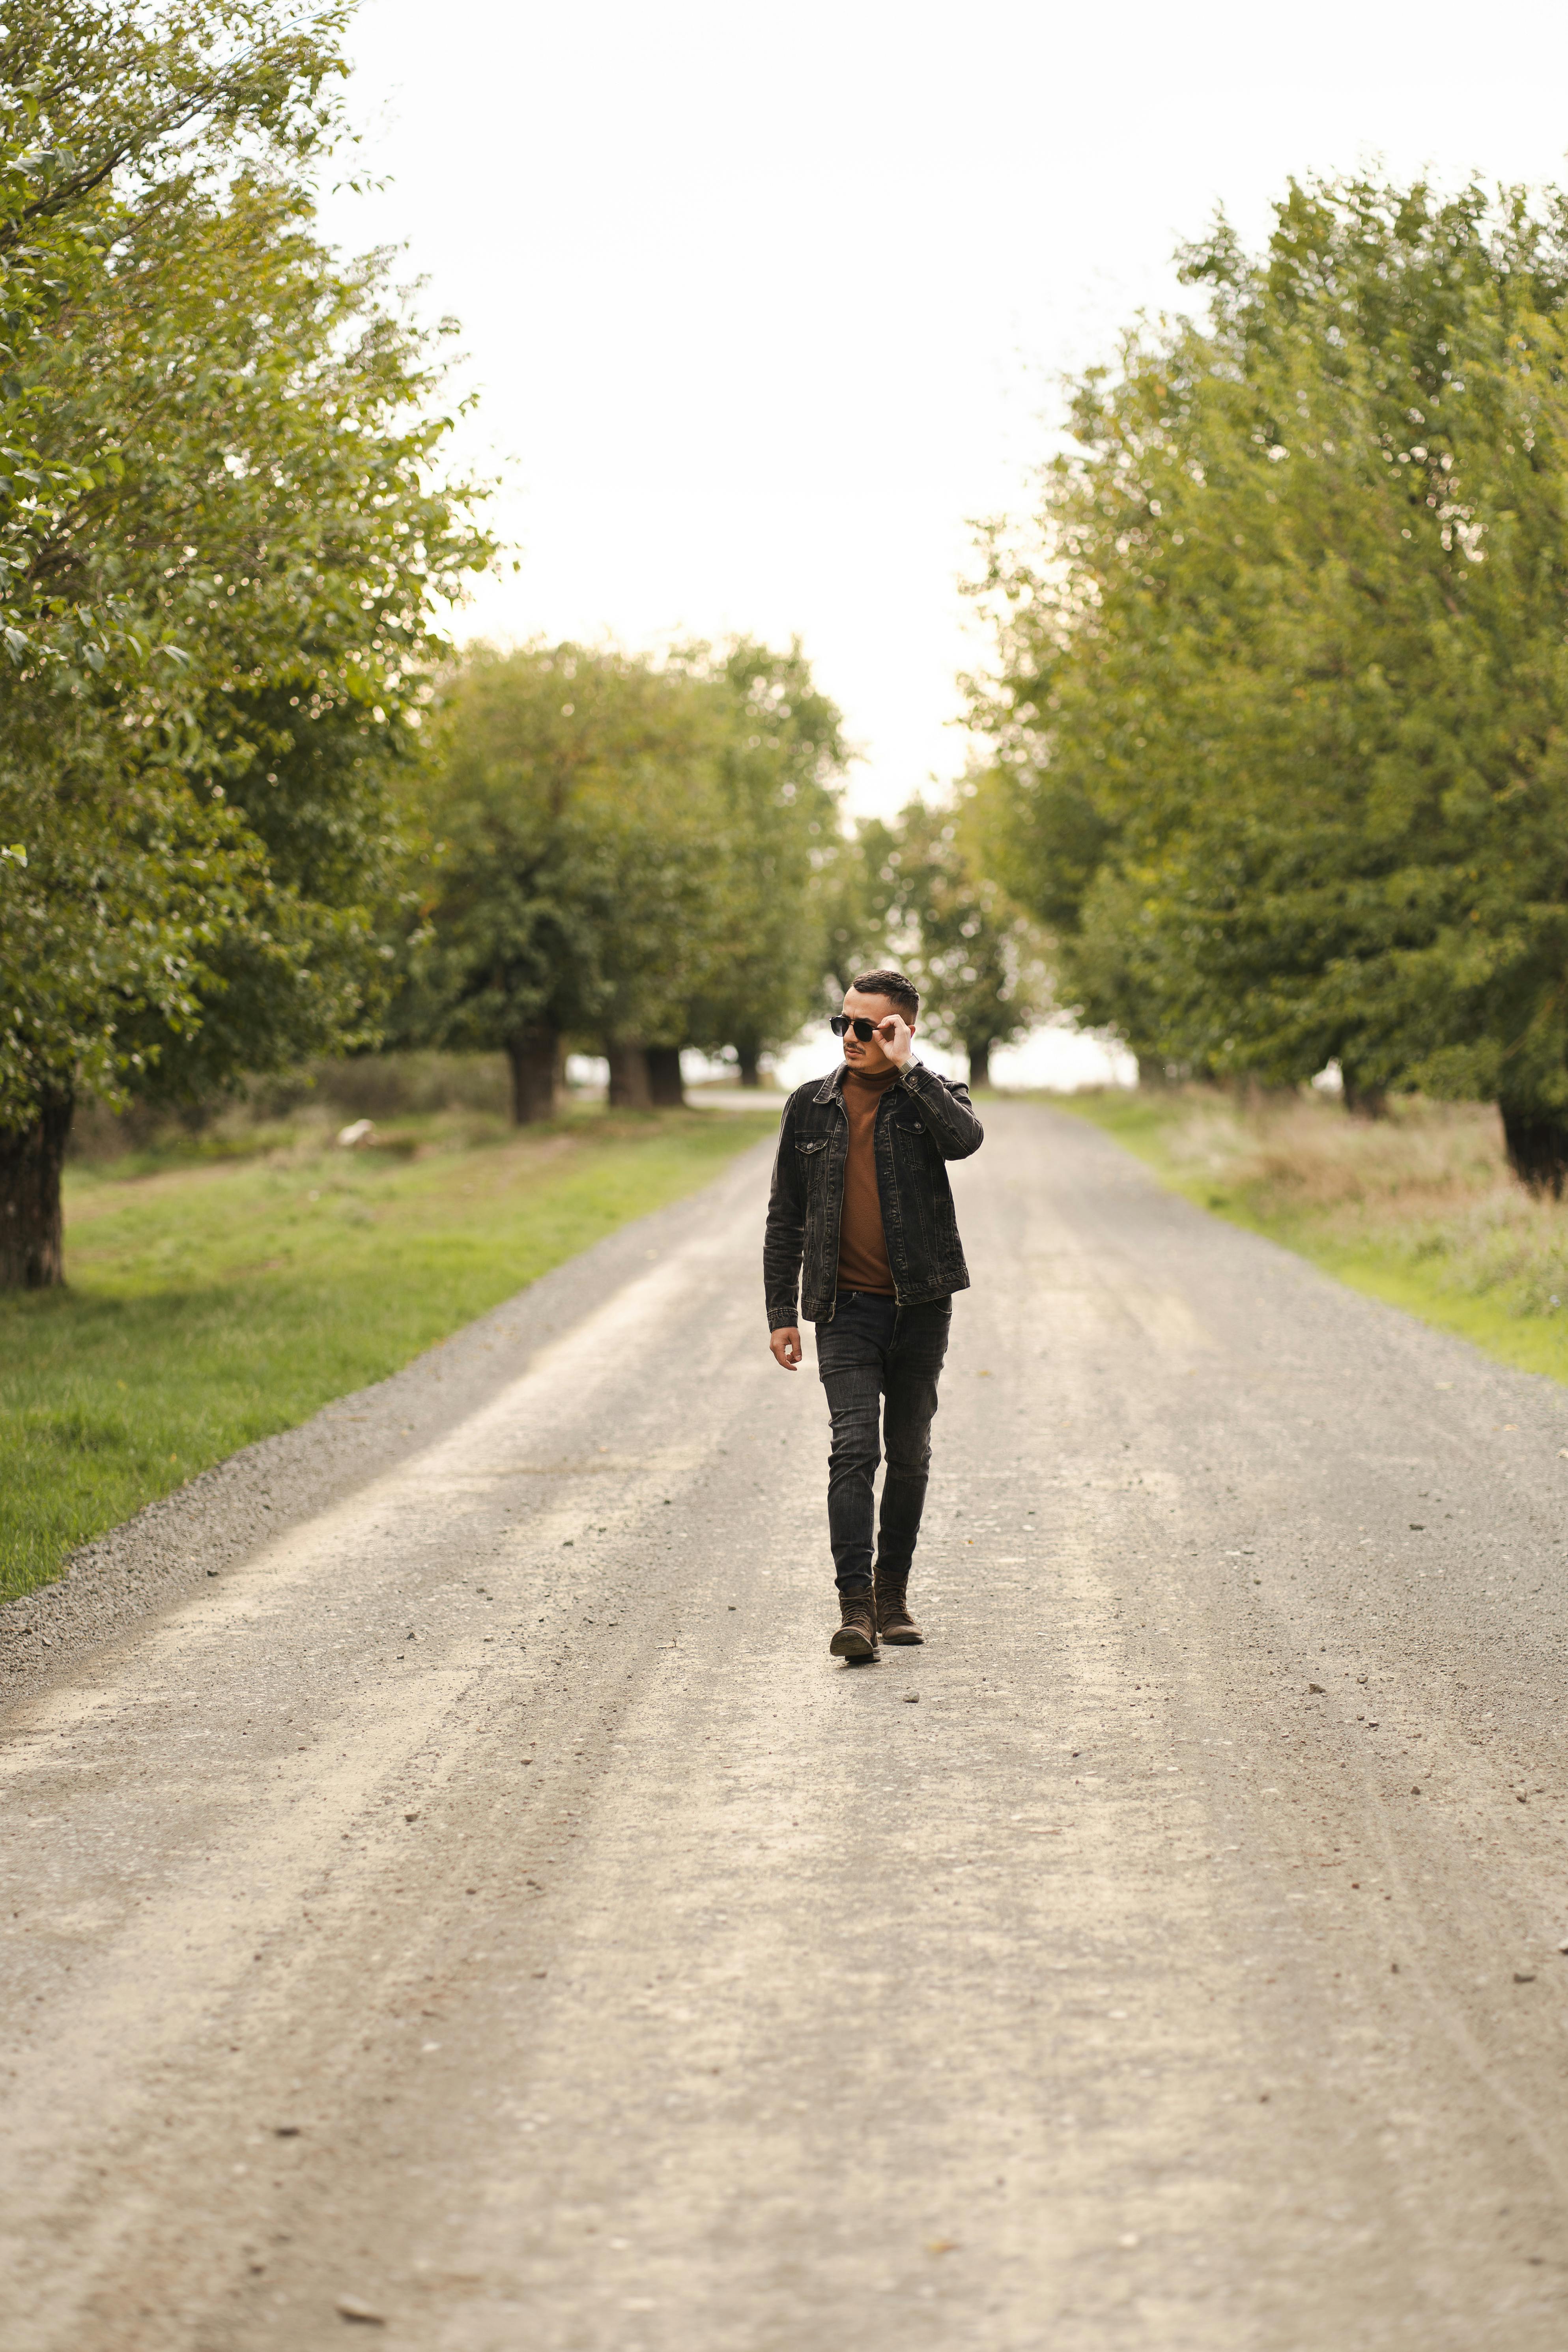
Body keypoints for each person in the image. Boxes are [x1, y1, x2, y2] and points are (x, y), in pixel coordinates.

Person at [763, 969, 985, 1659]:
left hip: (922, 1305)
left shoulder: (935, 1094)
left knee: (909, 1454)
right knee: (854, 1450)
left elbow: (965, 1141)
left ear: (903, 1029)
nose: (851, 1037)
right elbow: (785, 1218)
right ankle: (856, 1608)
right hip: (844, 1309)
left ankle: (894, 1597)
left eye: (869, 1026)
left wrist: (908, 1067)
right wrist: (781, 1311)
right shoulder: (809, 1106)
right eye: (844, 1023)